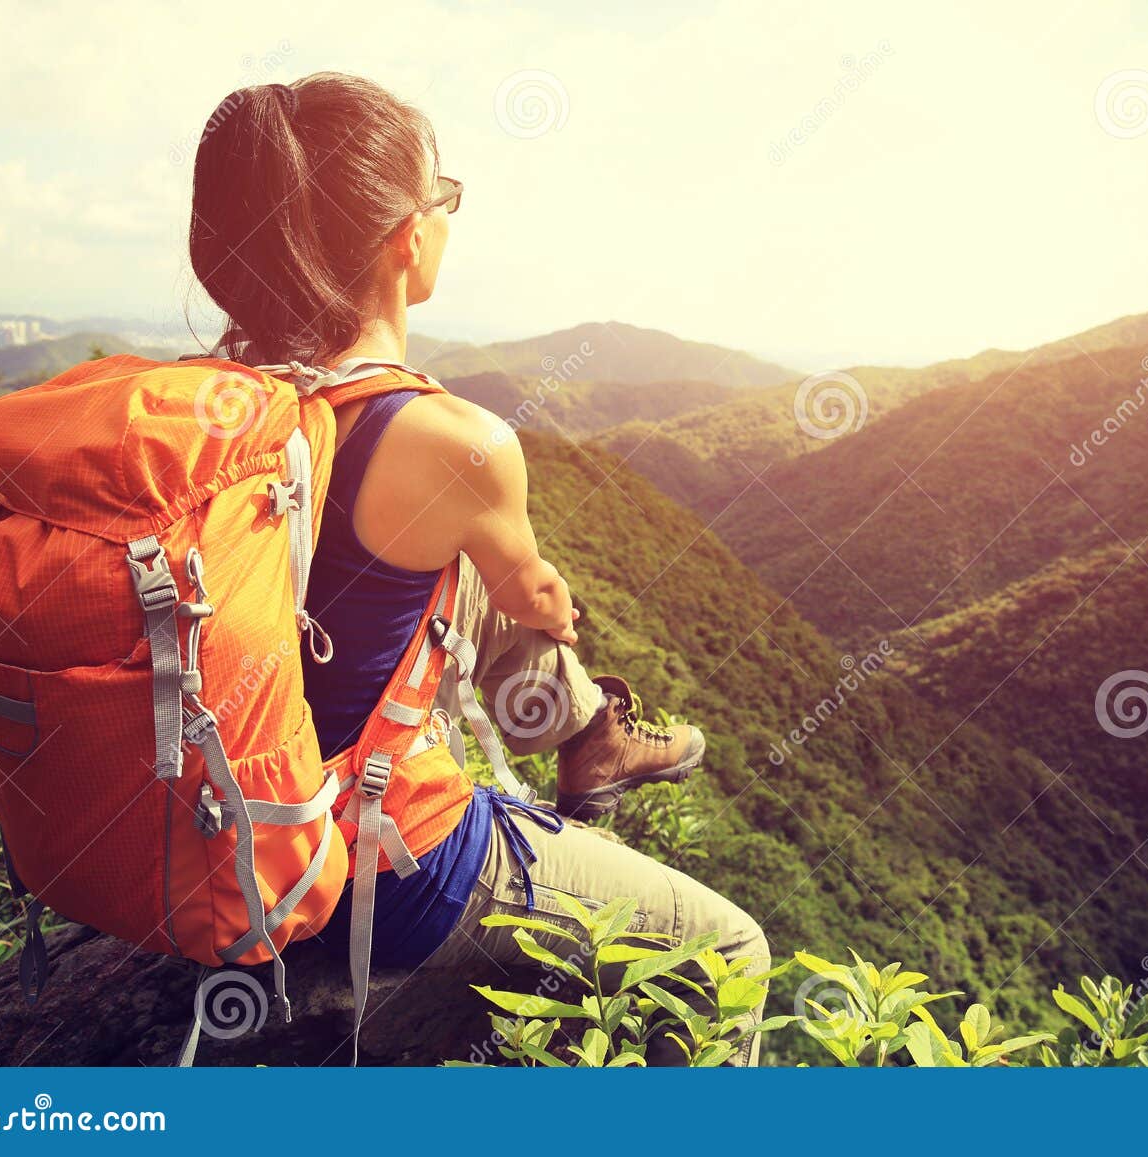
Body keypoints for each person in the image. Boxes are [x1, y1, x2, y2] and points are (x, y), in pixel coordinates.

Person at [188, 72, 767, 1063]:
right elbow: (532, 594)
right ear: (405, 237)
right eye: (441, 195)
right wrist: (538, 583)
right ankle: (590, 740)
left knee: (441, 564)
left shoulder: (212, 406)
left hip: (221, 827)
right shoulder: (457, 442)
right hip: (378, 864)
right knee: (732, 952)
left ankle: (591, 737)